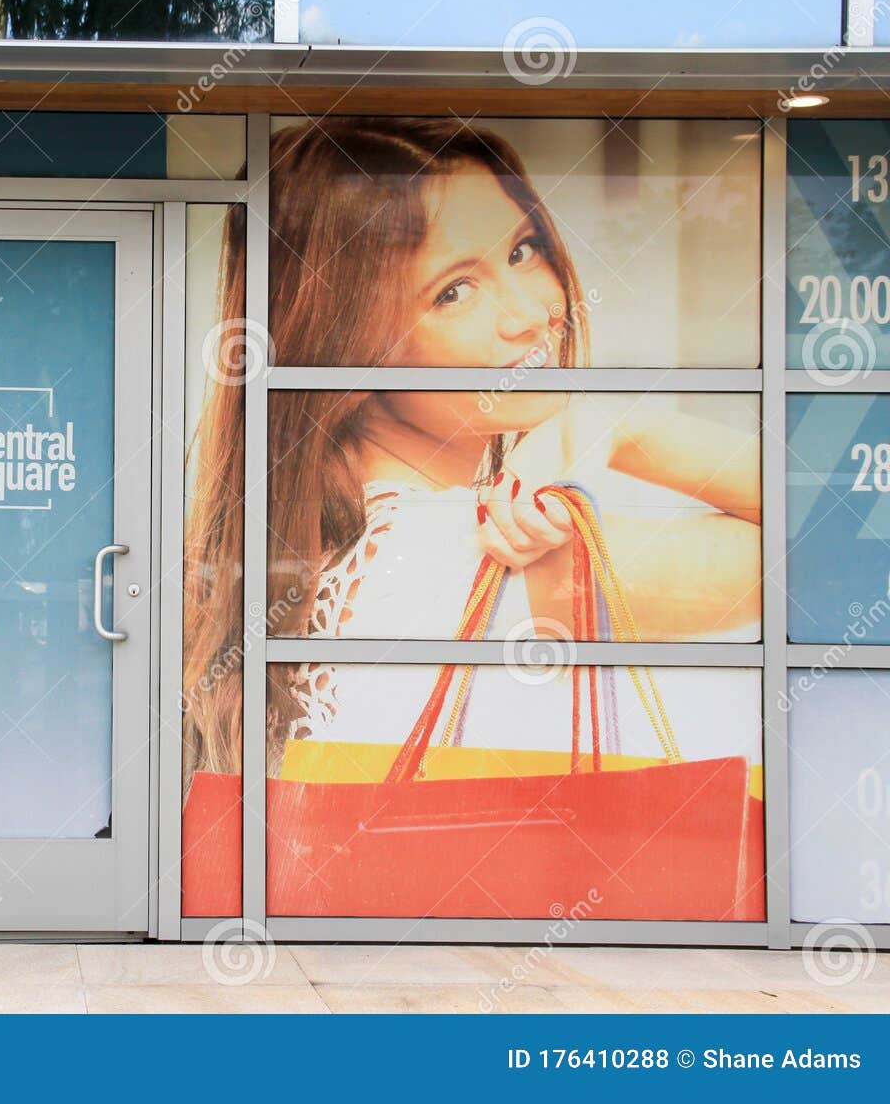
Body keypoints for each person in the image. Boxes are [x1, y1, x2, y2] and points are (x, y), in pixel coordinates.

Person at [182, 118, 761, 786]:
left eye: (522, 250)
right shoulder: (469, 553)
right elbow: (828, 545)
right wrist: (612, 421)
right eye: (453, 291)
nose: (528, 313)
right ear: (348, 346)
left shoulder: (329, 542)